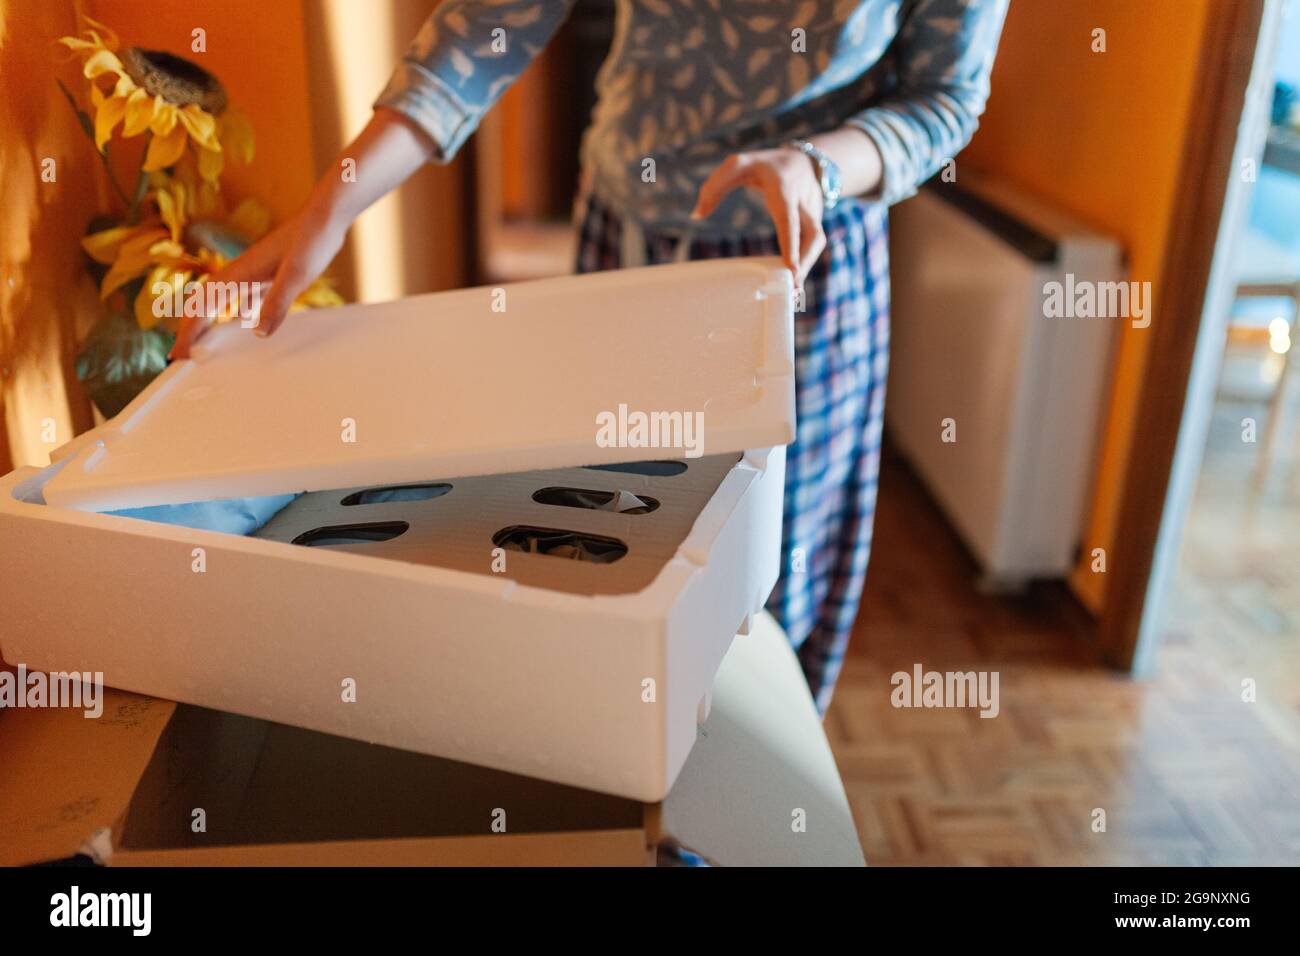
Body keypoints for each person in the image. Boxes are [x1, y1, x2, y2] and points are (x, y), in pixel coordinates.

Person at [174, 0, 1008, 714]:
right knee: (609, 535)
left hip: (803, 261)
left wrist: (816, 164)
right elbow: (490, 26)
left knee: (767, 580)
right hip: (627, 234)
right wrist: (329, 211)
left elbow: (946, 98)